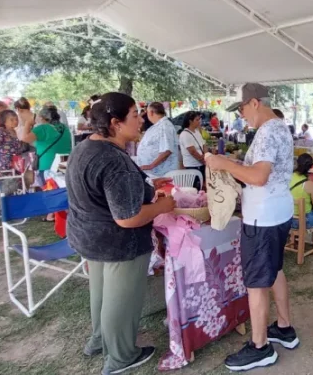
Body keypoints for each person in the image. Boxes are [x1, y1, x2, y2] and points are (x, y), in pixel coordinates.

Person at [65, 92, 176, 375]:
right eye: (135, 116)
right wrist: (162, 205)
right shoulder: (114, 160)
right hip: (117, 242)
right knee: (122, 300)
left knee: (102, 294)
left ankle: (99, 341)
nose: (140, 121)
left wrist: (147, 188)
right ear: (115, 123)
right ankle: (121, 356)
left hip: (90, 236)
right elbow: (128, 218)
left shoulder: (84, 147)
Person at [208, 83, 297, 371]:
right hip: (278, 210)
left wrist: (223, 162)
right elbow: (261, 170)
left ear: (255, 103)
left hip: (263, 217)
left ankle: (260, 347)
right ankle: (284, 328)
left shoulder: (269, 130)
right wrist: (233, 163)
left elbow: (258, 177)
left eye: (243, 108)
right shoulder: (278, 126)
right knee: (275, 270)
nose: (242, 115)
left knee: (256, 282)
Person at [21, 105, 73, 186]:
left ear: (42, 118)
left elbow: (24, 138)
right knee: (61, 188)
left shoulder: (43, 128)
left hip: (47, 166)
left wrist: (28, 123)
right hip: (64, 163)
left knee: (48, 190)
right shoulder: (64, 128)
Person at [137, 102, 179, 177]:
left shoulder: (165, 126)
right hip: (154, 173)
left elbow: (167, 151)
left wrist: (151, 165)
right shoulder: (158, 125)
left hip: (161, 173)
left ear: (151, 112)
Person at [178, 112, 208, 190]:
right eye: (197, 120)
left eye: (199, 119)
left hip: (201, 164)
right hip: (192, 166)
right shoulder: (185, 134)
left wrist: (206, 155)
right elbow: (193, 152)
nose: (199, 122)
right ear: (190, 121)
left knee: (202, 186)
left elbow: (204, 145)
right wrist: (204, 160)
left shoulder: (197, 131)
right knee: (195, 188)